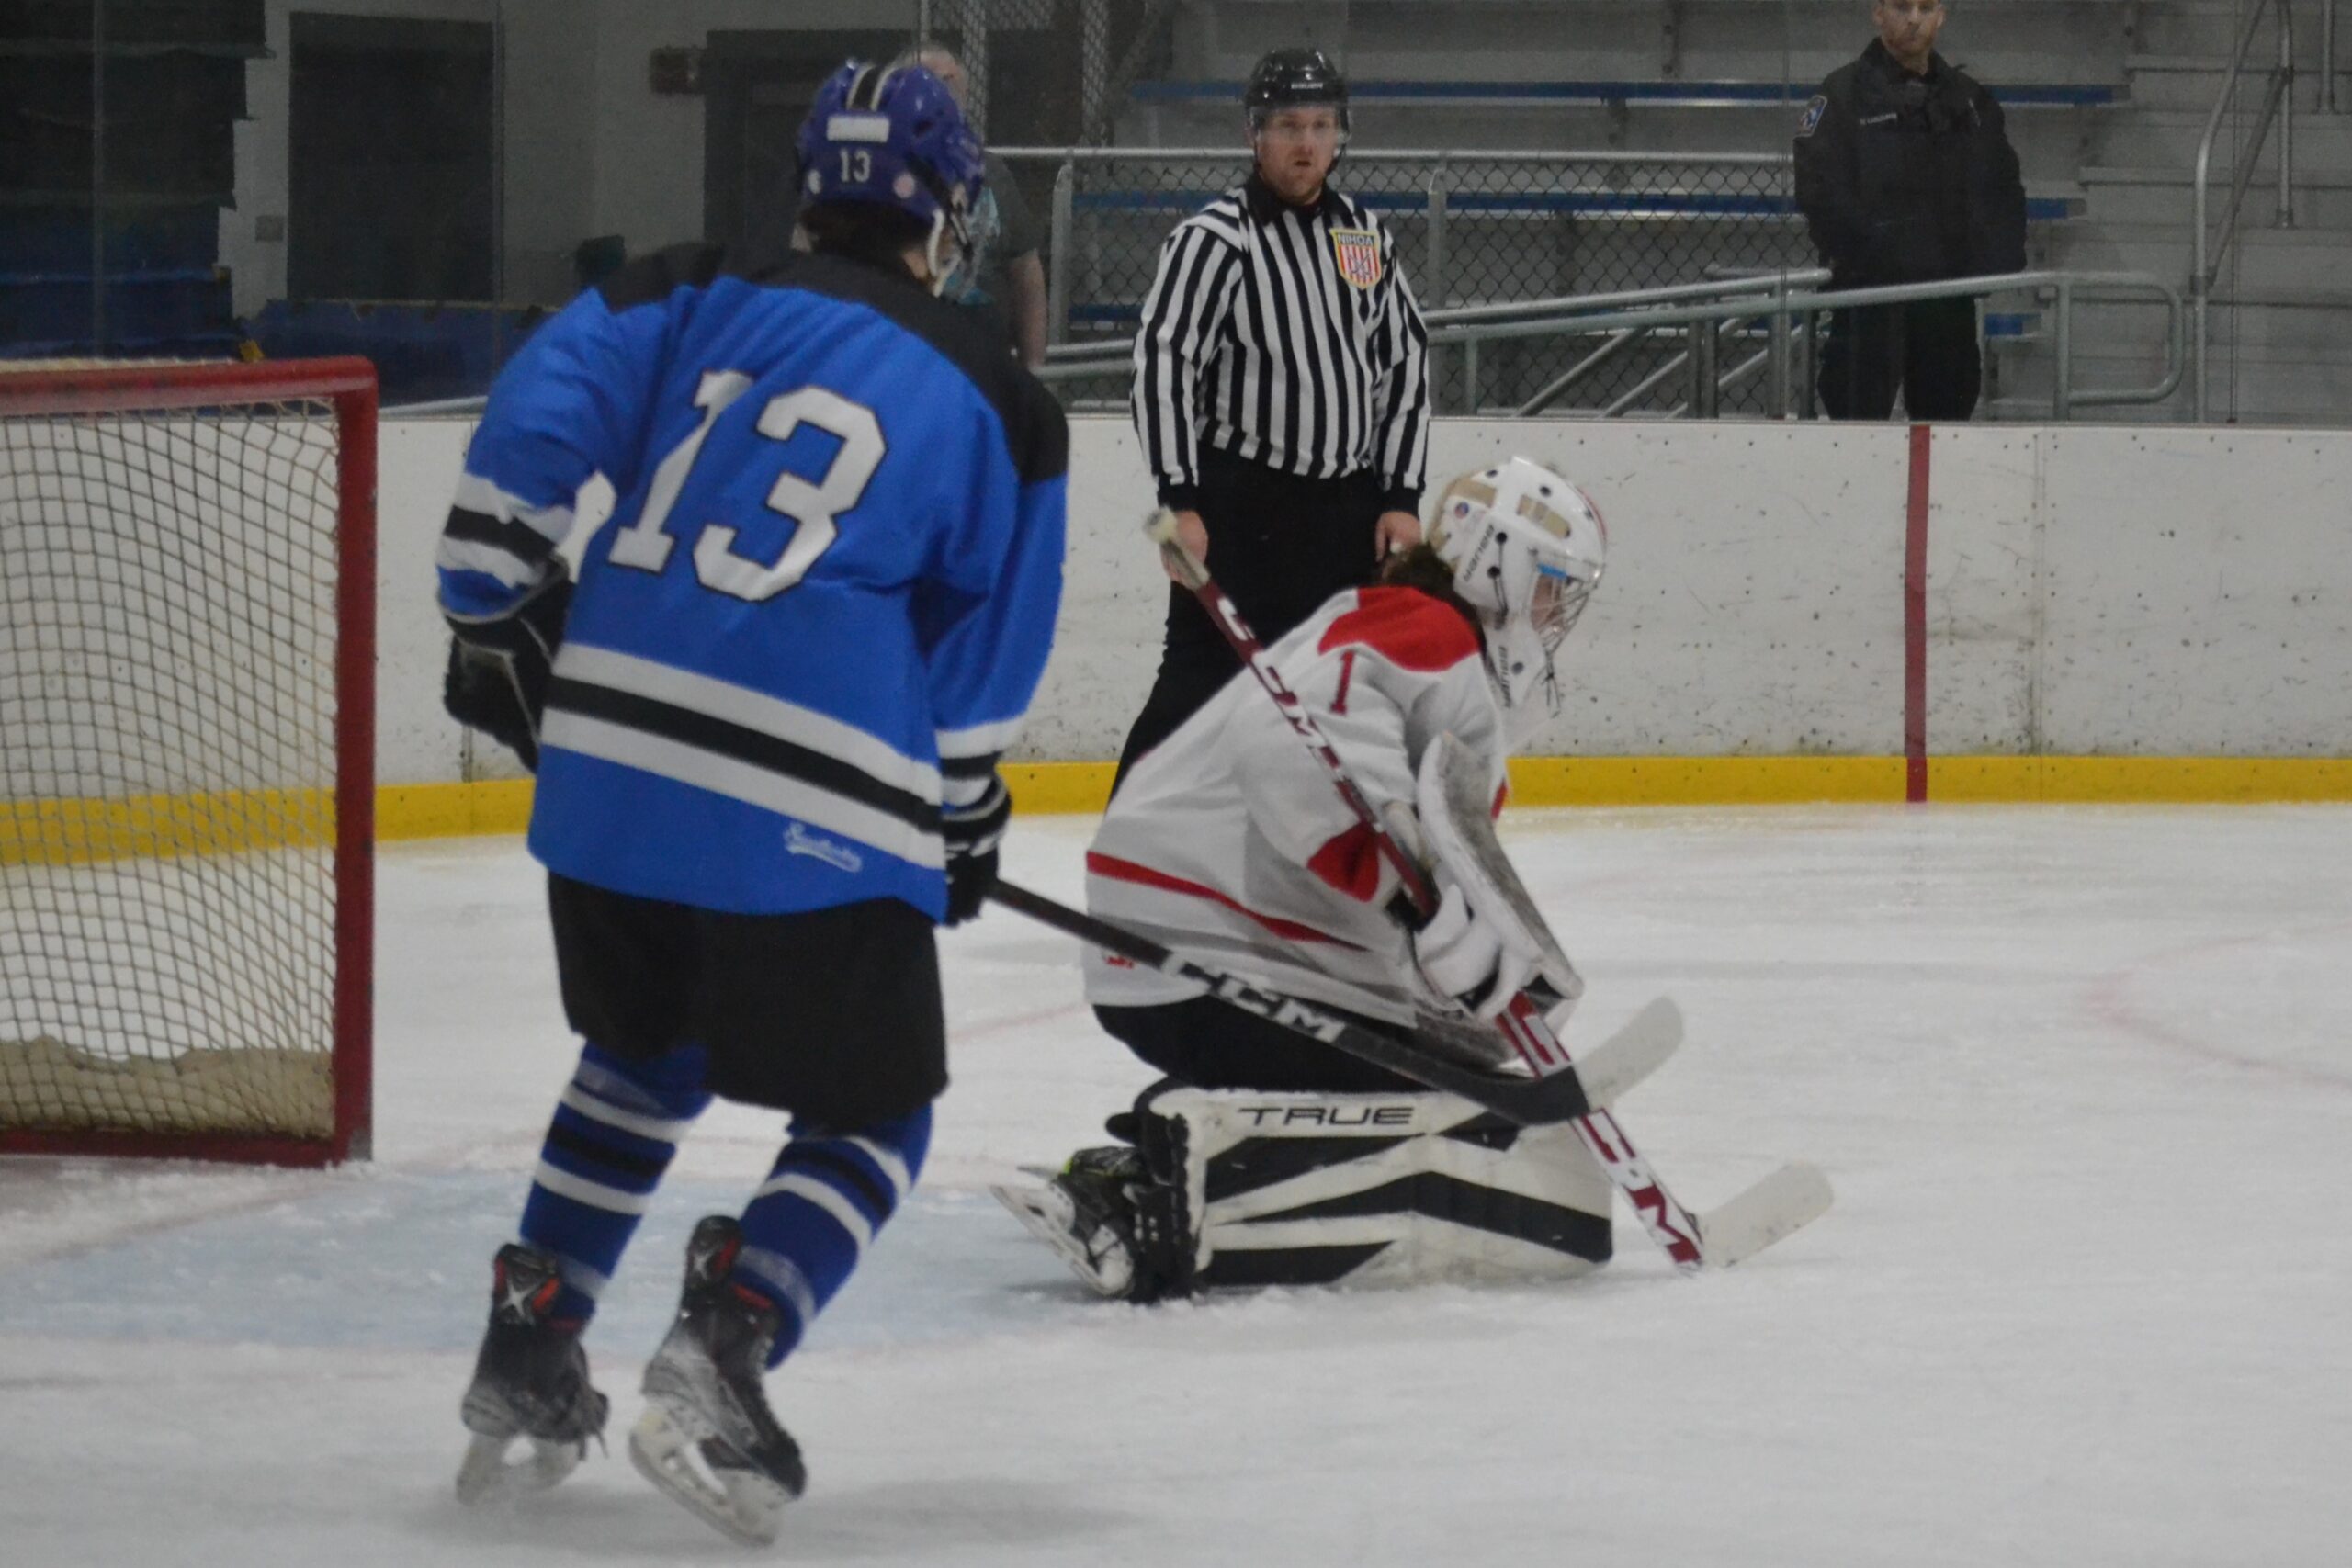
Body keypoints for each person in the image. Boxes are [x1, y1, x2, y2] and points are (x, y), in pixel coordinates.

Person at [435, 60, 1065, 1545]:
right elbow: (984, 662)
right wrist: (961, 812)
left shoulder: (692, 286)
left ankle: (532, 1337)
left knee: (646, 1053)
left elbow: (542, 406)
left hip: (601, 774)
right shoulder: (997, 390)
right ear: (944, 210)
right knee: (878, 1110)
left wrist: (486, 588)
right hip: (803, 786)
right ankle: (727, 1343)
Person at [995, 457, 1615, 1302]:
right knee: (1435, 1104)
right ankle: (1164, 1184)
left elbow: (1398, 820)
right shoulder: (1426, 629)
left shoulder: (1411, 631)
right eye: (1550, 586)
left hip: (1187, 933)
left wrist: (1441, 937)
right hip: (1206, 936)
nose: (1552, 614)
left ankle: (1153, 1160)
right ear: (1499, 562)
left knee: (1443, 1076)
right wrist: (1409, 890)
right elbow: (1288, 749)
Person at [1120, 45, 1431, 783]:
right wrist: (1180, 500)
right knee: (1194, 692)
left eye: (1322, 125)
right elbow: (1164, 363)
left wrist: (1399, 497)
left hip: (1345, 515)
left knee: (1339, 698)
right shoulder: (1214, 240)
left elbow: (1405, 361)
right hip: (1242, 510)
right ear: (1255, 134)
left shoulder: (1364, 236)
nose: (1306, 143)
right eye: (1290, 125)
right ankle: (1126, 846)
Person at [1792, 0, 2027, 421]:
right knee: (1855, 427)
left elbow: (2002, 187)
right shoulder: (1842, 94)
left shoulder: (1969, 100)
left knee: (1946, 429)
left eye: (1926, 7)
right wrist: (1881, 254)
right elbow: (1820, 191)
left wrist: (1990, 263)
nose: (1914, 19)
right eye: (1902, 6)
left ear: (1942, 14)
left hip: (1946, 301)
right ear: (1878, 12)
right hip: (1868, 298)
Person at [899, 44, 1050, 369]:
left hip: (982, 354)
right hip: (905, 351)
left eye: (950, 85)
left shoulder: (992, 172)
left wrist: (1033, 370)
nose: (942, 94)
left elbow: (1027, 276)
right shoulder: (883, 170)